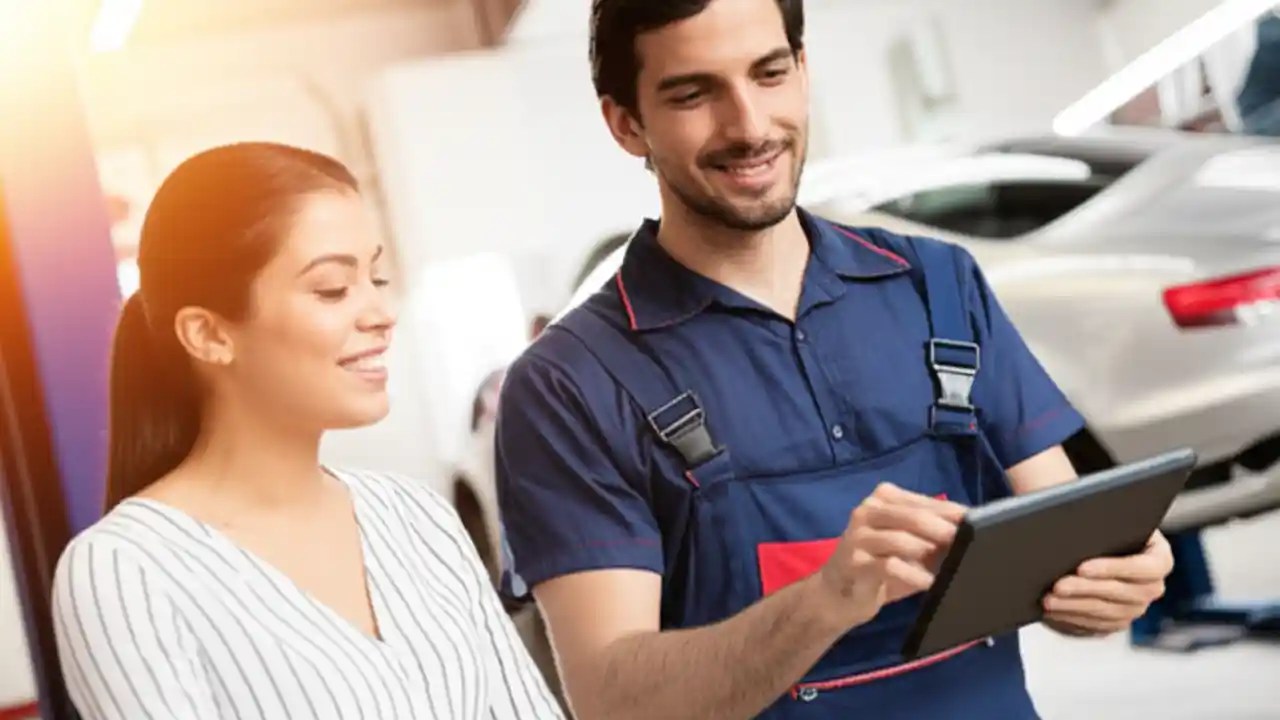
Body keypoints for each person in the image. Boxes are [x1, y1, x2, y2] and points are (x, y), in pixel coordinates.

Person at [493, 1, 1175, 719]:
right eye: (694, 94)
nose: (750, 126)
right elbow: (613, 699)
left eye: (769, 74)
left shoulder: (941, 288)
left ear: (804, 70)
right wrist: (826, 600)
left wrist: (1119, 580)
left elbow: (1065, 552)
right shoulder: (567, 385)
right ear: (627, 123)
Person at [51, 142, 563, 720]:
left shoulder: (418, 518)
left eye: (377, 276)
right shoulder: (125, 570)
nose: (380, 313)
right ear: (208, 335)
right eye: (332, 289)